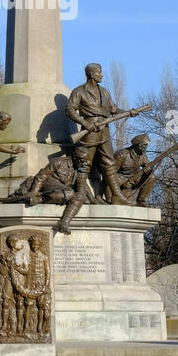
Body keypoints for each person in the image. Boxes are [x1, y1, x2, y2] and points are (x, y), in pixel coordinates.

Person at [61, 63, 129, 233]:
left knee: (109, 162)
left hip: (104, 130)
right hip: (90, 130)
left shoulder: (104, 92)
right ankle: (80, 193)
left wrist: (128, 112)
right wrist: (85, 123)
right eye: (99, 72)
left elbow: (113, 109)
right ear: (91, 74)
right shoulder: (80, 91)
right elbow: (70, 110)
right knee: (85, 163)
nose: (102, 74)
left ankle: (117, 196)